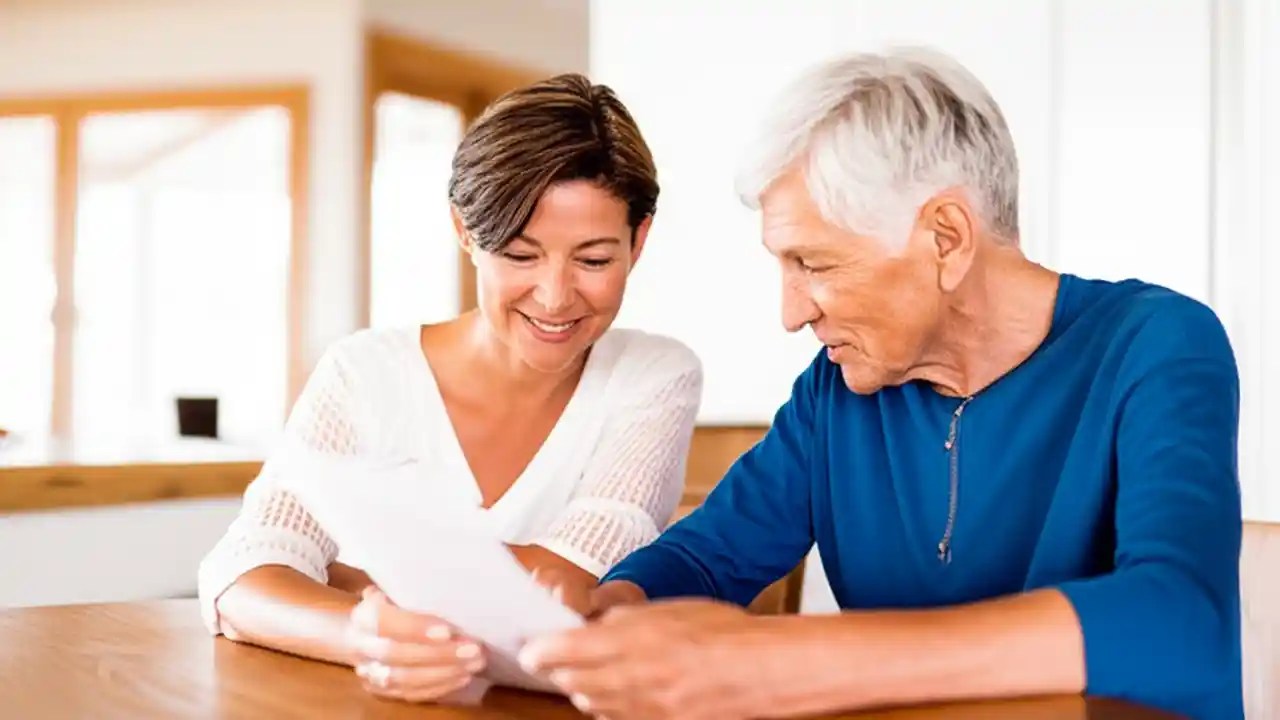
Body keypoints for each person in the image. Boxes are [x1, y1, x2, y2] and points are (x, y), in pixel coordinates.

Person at [518, 48, 1244, 720]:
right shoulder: (837, 392)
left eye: (817, 264)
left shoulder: (1155, 344)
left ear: (946, 238)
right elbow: (705, 558)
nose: (791, 311)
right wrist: (607, 615)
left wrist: (788, 660)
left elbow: (1180, 623)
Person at [196, 73, 702, 704]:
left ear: (640, 239)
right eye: (521, 255)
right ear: (465, 231)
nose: (555, 296)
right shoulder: (365, 371)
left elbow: (570, 585)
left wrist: (347, 576)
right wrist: (365, 635)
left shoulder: (654, 375)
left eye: (594, 260)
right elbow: (242, 574)